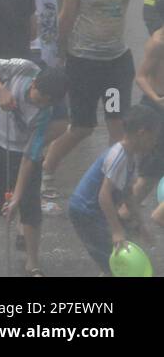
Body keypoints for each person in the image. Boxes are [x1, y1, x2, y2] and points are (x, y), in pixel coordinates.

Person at [46, 0, 164, 179]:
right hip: (84, 64)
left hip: (114, 66)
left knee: (117, 124)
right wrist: (60, 51)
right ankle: (46, 171)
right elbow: (66, 17)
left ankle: (111, 183)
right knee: (82, 126)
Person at [0, 59, 68, 277]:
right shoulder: (23, 67)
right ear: (34, 83)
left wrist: (16, 196)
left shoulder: (45, 113)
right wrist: (1, 89)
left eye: (46, 104)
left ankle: (33, 264)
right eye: (39, 99)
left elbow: (30, 156)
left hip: (20, 150)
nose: (40, 105)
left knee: (30, 204)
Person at [67, 105, 161, 275]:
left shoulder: (130, 156)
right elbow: (104, 196)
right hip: (86, 211)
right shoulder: (119, 156)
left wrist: (140, 223)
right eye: (154, 137)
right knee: (114, 258)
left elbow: (127, 194)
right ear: (142, 133)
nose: (156, 142)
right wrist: (116, 230)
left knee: (115, 255)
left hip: (95, 211)